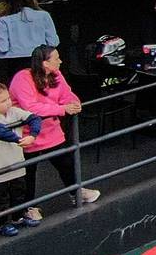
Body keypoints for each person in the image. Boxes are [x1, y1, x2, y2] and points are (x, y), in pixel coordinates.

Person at [9, 45, 99, 208]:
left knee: (66, 163)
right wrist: (61, 109)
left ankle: (76, 193)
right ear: (45, 63)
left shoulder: (56, 75)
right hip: (28, 135)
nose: (60, 61)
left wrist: (74, 103)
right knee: (27, 173)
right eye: (56, 58)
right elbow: (31, 107)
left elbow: (66, 94)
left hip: (51, 131)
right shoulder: (22, 78)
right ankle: (27, 208)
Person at [0, 82, 41, 236]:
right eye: (3, 101)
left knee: (19, 192)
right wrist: (19, 140)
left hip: (15, 162)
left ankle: (18, 217)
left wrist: (32, 135)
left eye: (8, 99)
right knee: (1, 197)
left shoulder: (13, 111)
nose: (8, 103)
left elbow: (34, 118)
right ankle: (3, 224)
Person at [0, 0, 60, 74]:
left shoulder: (4, 20)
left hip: (15, 64)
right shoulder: (44, 16)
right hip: (39, 60)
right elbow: (53, 42)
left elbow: (3, 48)